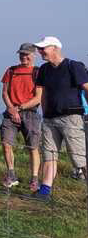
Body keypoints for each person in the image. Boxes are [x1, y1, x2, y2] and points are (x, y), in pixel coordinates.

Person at [32, 36, 88, 201]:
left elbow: (86, 88)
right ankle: (44, 192)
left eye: (43, 48)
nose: (40, 51)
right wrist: (45, 113)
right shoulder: (44, 69)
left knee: (79, 157)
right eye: (39, 48)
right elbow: (43, 94)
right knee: (49, 155)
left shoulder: (73, 66)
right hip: (50, 119)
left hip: (72, 117)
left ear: (55, 48)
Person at [0, 43, 43, 191]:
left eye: (26, 54)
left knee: (33, 146)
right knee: (6, 143)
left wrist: (19, 108)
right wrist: (12, 109)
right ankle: (11, 174)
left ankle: (35, 179)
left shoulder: (38, 72)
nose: (23, 57)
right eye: (21, 54)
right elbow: (5, 92)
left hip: (30, 113)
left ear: (33, 55)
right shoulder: (11, 71)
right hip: (10, 112)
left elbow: (38, 98)